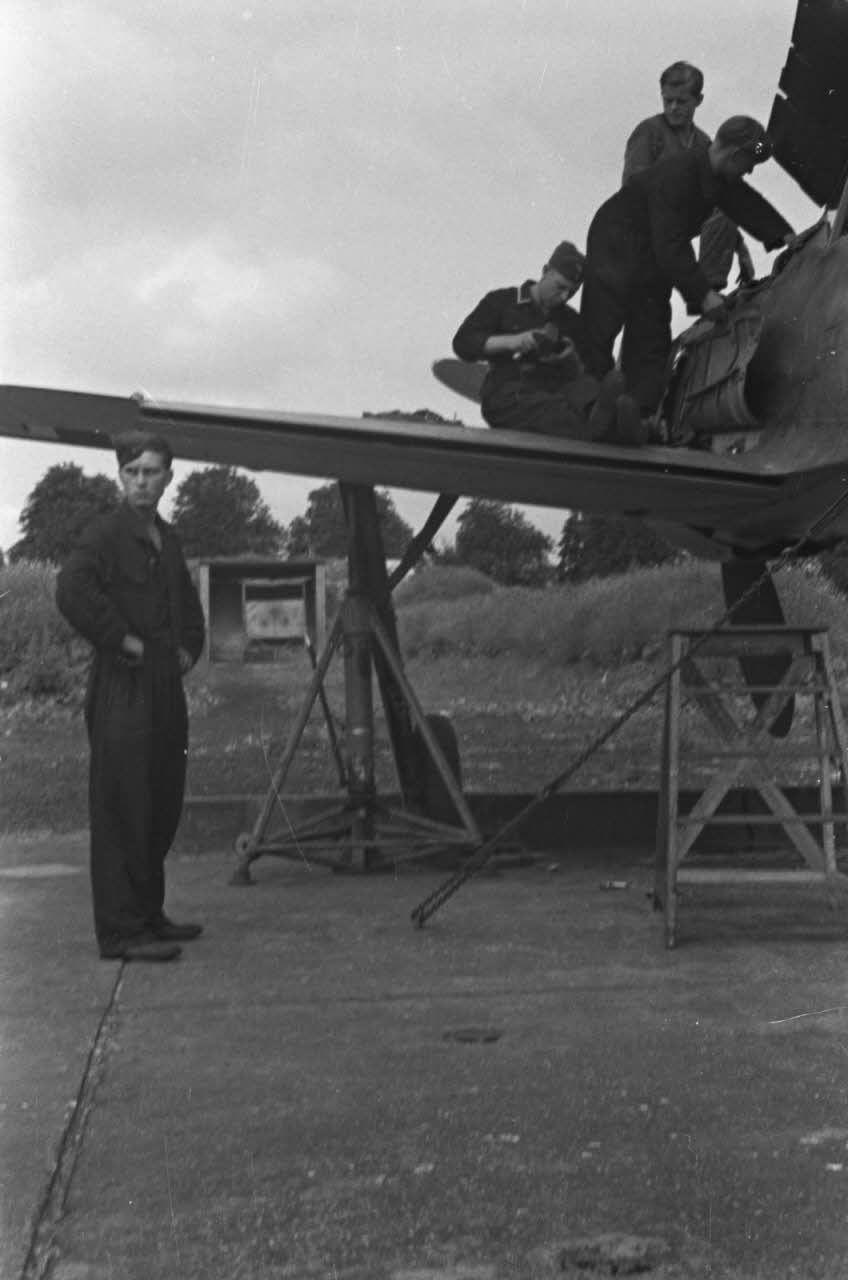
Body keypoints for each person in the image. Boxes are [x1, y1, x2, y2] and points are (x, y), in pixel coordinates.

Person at [56, 431, 206, 962]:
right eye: (133, 472)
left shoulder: (169, 537)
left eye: (153, 472)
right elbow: (71, 589)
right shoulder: (104, 535)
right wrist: (123, 640)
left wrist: (190, 647)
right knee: (123, 805)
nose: (143, 481)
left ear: (168, 476)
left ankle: (148, 915)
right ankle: (120, 932)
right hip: (123, 687)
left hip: (164, 687)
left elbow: (186, 601)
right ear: (121, 477)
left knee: (160, 801)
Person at [580, 116, 795, 417]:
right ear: (734, 155)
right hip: (616, 242)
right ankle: (589, 409)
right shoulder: (679, 176)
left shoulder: (717, 176)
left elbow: (746, 203)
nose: (748, 171)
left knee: (651, 332)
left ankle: (638, 415)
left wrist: (785, 235)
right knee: (600, 326)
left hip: (652, 255)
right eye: (749, 164)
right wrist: (703, 294)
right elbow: (671, 245)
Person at [452, 240, 645, 445]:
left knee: (585, 392)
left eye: (571, 292)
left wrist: (572, 361)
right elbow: (463, 343)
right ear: (546, 271)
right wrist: (513, 341)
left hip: (556, 388)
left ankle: (614, 422)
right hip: (509, 393)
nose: (563, 297)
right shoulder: (502, 301)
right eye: (560, 287)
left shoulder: (571, 321)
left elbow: (589, 371)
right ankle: (619, 430)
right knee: (553, 409)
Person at [622, 60, 755, 292]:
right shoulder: (650, 132)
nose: (673, 107)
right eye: (668, 100)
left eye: (681, 101)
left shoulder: (704, 144)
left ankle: (709, 287)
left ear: (698, 100)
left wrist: (741, 250)